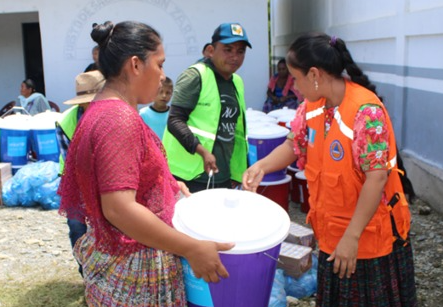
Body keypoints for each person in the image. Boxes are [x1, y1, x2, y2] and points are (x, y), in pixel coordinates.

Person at [58, 20, 233, 306]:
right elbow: (119, 208)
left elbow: (118, 181)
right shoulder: (118, 119)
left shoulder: (104, 108)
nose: (164, 76)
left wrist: (165, 185)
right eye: (160, 64)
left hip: (127, 254)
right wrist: (192, 248)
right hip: (136, 265)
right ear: (136, 65)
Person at [242, 33, 417, 306]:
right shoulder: (313, 106)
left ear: (314, 74)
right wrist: (261, 166)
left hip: (365, 239)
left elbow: (377, 178)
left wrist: (352, 237)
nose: (295, 87)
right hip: (332, 235)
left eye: (296, 78)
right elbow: (294, 145)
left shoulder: (366, 112)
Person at [162, 22, 251, 193]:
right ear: (211, 50)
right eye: (228, 49)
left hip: (222, 174)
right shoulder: (195, 76)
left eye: (240, 51)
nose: (235, 56)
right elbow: (174, 120)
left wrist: (236, 172)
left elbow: (235, 132)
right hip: (190, 175)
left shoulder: (237, 82)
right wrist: (202, 151)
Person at [55, 70, 106, 277]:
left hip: (104, 180)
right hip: (73, 179)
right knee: (78, 228)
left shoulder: (112, 116)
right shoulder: (65, 122)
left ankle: (104, 276)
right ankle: (86, 274)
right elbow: (72, 162)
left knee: (104, 228)